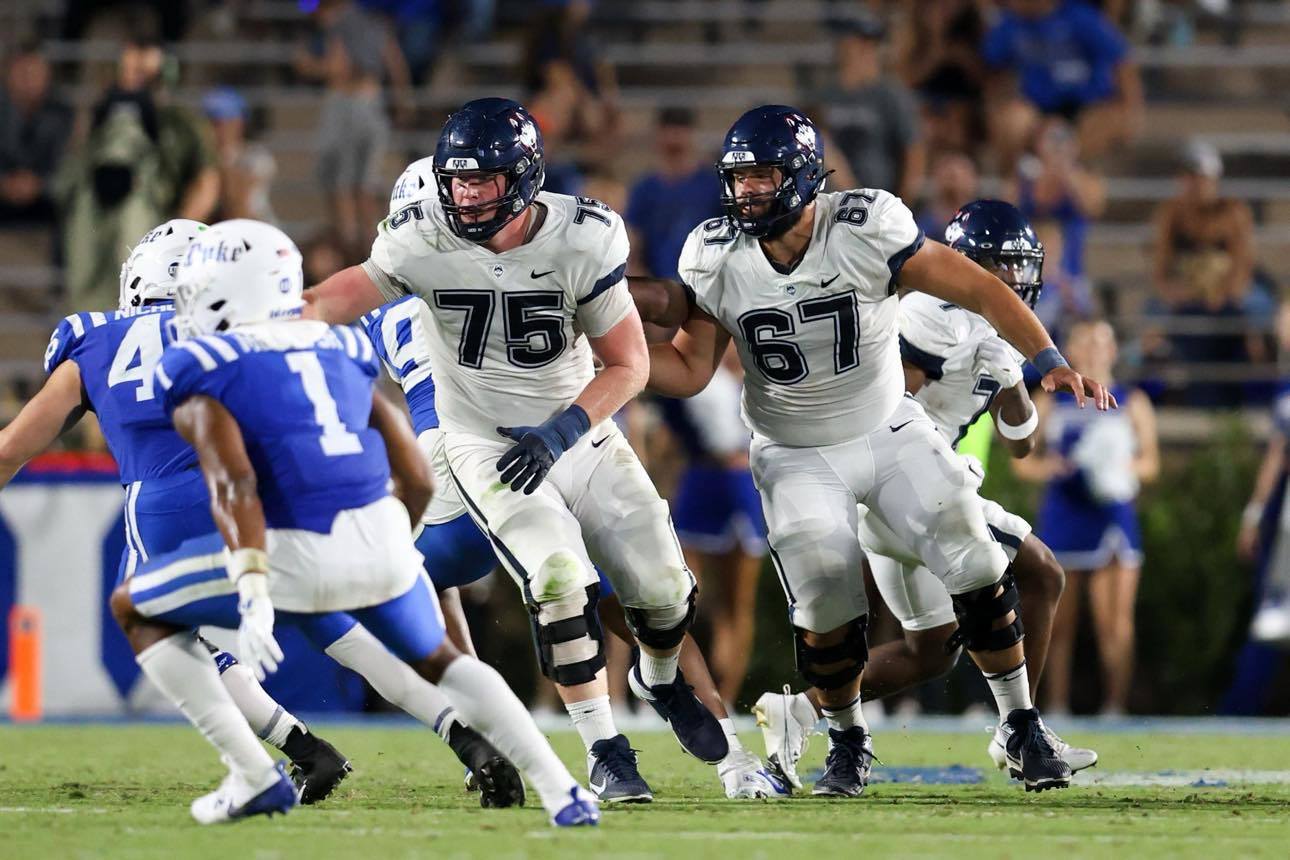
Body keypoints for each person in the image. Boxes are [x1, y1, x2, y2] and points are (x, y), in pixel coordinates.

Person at [630, 105, 1114, 796]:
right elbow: (690, 368)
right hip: (795, 451)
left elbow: (978, 285)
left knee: (972, 550)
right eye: (739, 178)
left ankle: (1023, 727)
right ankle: (846, 743)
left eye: (764, 176)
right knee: (826, 602)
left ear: (800, 177)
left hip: (887, 428)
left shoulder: (863, 225)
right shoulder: (714, 252)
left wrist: (1047, 357)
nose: (748, 192)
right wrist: (615, 359)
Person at [0, 218, 547, 812]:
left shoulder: (94, 338)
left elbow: (12, 449)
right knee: (344, 627)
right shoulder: (261, 324)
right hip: (277, 494)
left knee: (165, 626)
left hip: (167, 499)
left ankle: (286, 754)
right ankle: (467, 741)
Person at [303, 99, 737, 803]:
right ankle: (602, 747)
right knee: (559, 581)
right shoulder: (415, 247)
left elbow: (633, 355)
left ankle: (653, 682)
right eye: (457, 182)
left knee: (662, 591)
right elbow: (329, 301)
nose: (466, 197)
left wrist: (568, 425)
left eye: (484, 181)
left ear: (525, 178)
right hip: (477, 448)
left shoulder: (581, 237)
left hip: (577, 428)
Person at [752, 200, 1097, 788]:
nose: (1014, 281)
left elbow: (1020, 444)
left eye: (1019, 267)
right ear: (967, 265)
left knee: (931, 651)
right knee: (1041, 573)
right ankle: (1021, 727)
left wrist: (1012, 378)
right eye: (1000, 267)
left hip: (913, 501)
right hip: (902, 489)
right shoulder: (934, 313)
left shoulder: (993, 331)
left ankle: (800, 711)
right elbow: (890, 407)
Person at [1014, 319, 1159, 715]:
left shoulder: (1132, 400)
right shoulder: (1050, 400)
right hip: (1064, 513)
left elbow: (1150, 463)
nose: (1095, 350)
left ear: (1114, 349)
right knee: (1058, 622)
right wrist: (1049, 469)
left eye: (1102, 342)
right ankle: (1055, 705)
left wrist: (1120, 469)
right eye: (1086, 342)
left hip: (1112, 516)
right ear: (1071, 351)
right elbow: (1022, 461)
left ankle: (1116, 705)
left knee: (1114, 620)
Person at [60, 36, 219, 310]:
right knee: (84, 294)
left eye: (145, 70)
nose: (137, 76)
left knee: (136, 292)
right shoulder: (103, 112)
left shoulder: (181, 121)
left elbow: (207, 182)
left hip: (148, 212)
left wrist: (179, 231)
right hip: (95, 209)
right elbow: (78, 158)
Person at [660, 347, 766, 708]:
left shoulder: (760, 375)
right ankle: (676, 688)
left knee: (736, 604)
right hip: (701, 477)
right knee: (679, 592)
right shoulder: (695, 370)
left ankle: (726, 698)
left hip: (742, 482)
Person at [294, 0, 413, 259]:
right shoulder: (375, 23)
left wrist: (306, 64)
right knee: (364, 184)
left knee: (342, 183)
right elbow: (394, 61)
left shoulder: (337, 24)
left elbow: (338, 67)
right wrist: (402, 100)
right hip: (373, 103)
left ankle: (351, 247)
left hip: (346, 105)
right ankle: (371, 247)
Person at [982, 0, 1143, 167]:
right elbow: (992, 67)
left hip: (1087, 108)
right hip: (1038, 110)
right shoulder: (1010, 23)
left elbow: (1122, 61)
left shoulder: (1080, 16)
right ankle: (1017, 185)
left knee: (1109, 121)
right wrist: (996, 110)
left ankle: (1069, 175)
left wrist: (1131, 111)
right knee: (1012, 122)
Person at [814, 13, 924, 204]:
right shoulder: (827, 96)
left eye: (867, 45)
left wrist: (904, 204)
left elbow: (913, 150)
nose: (861, 50)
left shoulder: (890, 95)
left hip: (880, 199)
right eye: (855, 43)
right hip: (834, 201)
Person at [625, 107, 723, 280]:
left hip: (706, 280)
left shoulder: (713, 186)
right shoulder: (644, 189)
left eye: (680, 134)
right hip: (659, 284)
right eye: (668, 134)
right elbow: (633, 243)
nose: (674, 140)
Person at [0, 44, 72, 226]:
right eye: (22, 73)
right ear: (7, 76)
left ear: (47, 76)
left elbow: (67, 166)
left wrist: (38, 185)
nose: (29, 81)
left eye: (35, 74)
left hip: (46, 198)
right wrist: (5, 184)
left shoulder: (62, 114)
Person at [202, 87, 277, 223]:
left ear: (240, 122)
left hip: (254, 228)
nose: (217, 129)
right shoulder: (204, 155)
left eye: (222, 122)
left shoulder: (256, 156)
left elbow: (238, 204)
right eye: (212, 121)